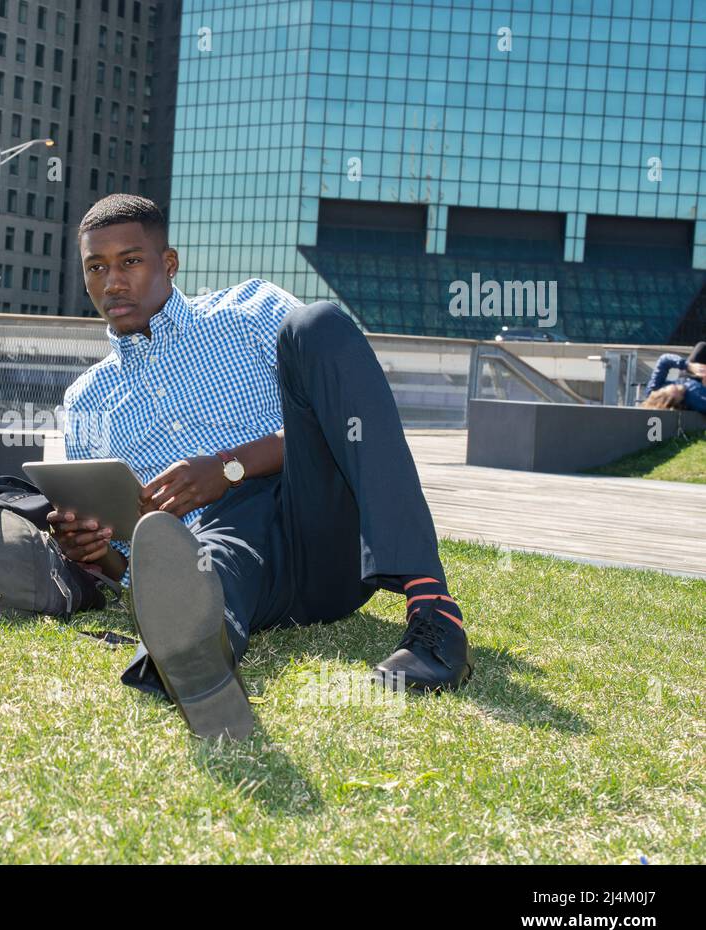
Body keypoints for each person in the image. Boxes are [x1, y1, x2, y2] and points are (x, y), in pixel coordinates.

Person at [49, 194, 471, 739]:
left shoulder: (250, 310)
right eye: (96, 267)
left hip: (318, 529)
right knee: (205, 550)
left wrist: (227, 468)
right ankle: (196, 648)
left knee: (317, 324)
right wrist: (97, 552)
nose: (113, 282)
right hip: (232, 565)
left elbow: (342, 419)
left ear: (168, 263)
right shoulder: (86, 399)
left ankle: (435, 615)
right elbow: (133, 559)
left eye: (130, 261)